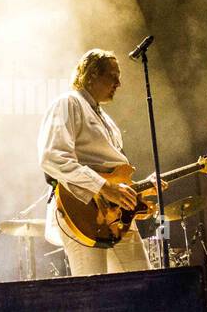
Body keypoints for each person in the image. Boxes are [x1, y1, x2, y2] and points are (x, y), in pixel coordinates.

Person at [38, 49, 151, 276]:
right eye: (112, 75)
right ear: (91, 75)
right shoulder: (68, 103)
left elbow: (113, 171)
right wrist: (105, 188)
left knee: (143, 285)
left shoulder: (107, 120)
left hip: (117, 217)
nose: (118, 83)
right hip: (80, 210)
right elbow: (53, 157)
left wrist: (141, 189)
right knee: (93, 292)